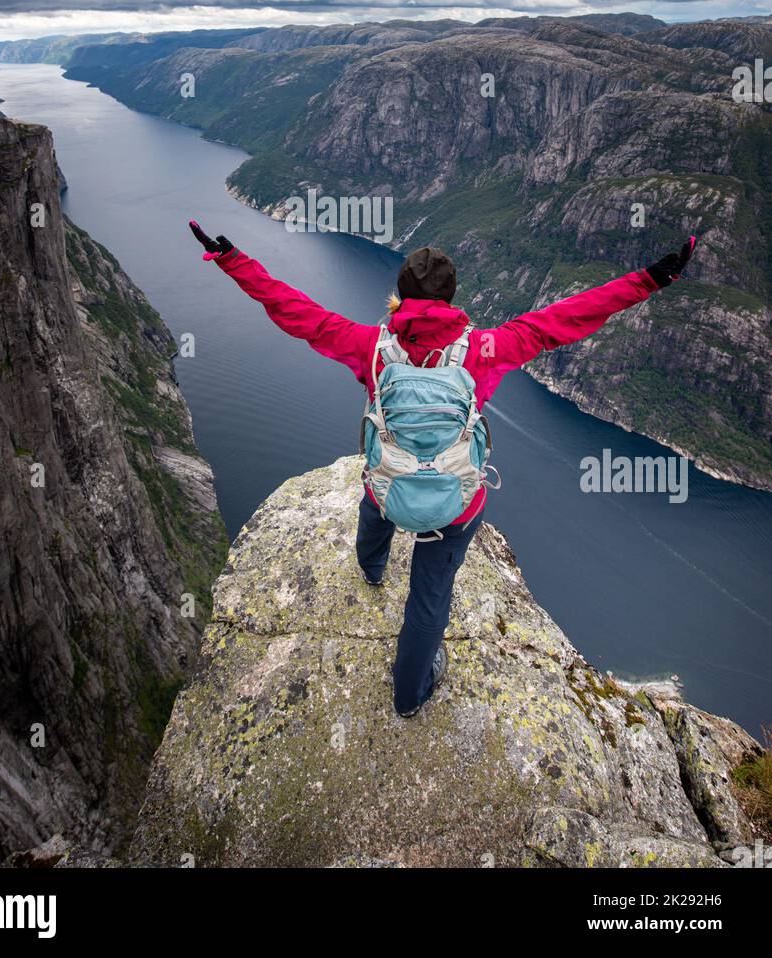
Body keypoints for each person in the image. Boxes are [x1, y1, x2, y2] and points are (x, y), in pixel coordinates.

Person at [189, 220, 696, 718]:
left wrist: (234, 261)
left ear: (399, 295)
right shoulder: (484, 349)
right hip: (454, 504)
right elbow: (568, 316)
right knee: (429, 599)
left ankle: (371, 567)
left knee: (376, 492)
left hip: (390, 486)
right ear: (453, 296)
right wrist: (649, 278)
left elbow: (293, 309)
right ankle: (409, 695)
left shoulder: (371, 347)